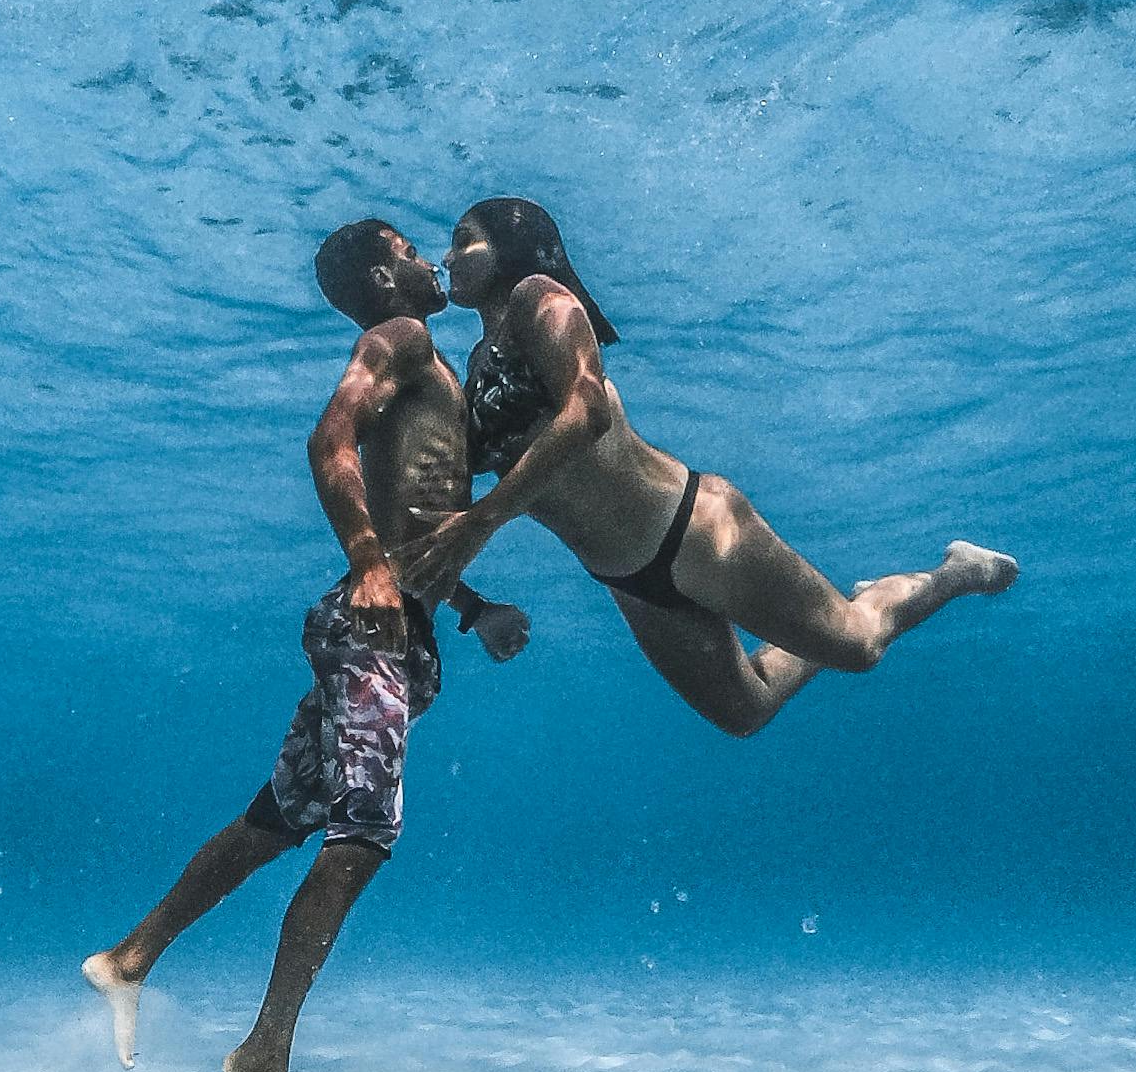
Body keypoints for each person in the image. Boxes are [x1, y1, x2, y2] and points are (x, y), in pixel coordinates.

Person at [83, 221, 530, 1072]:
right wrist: (368, 563)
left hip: (391, 625)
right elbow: (327, 441)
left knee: (275, 822)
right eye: (413, 249)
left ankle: (131, 956)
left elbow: (417, 519)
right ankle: (263, 1054)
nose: (430, 260)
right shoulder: (399, 341)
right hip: (366, 623)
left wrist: (469, 604)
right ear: (383, 274)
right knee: (360, 836)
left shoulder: (427, 367)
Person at [395, 197, 1016, 736]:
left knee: (860, 648)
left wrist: (479, 524)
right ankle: (836, 607)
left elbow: (586, 412)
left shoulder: (541, 299)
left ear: (507, 247)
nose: (448, 259)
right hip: (628, 578)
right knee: (744, 712)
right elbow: (437, 499)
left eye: (463, 241)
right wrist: (471, 605)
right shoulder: (473, 368)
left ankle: (951, 575)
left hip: (692, 531)